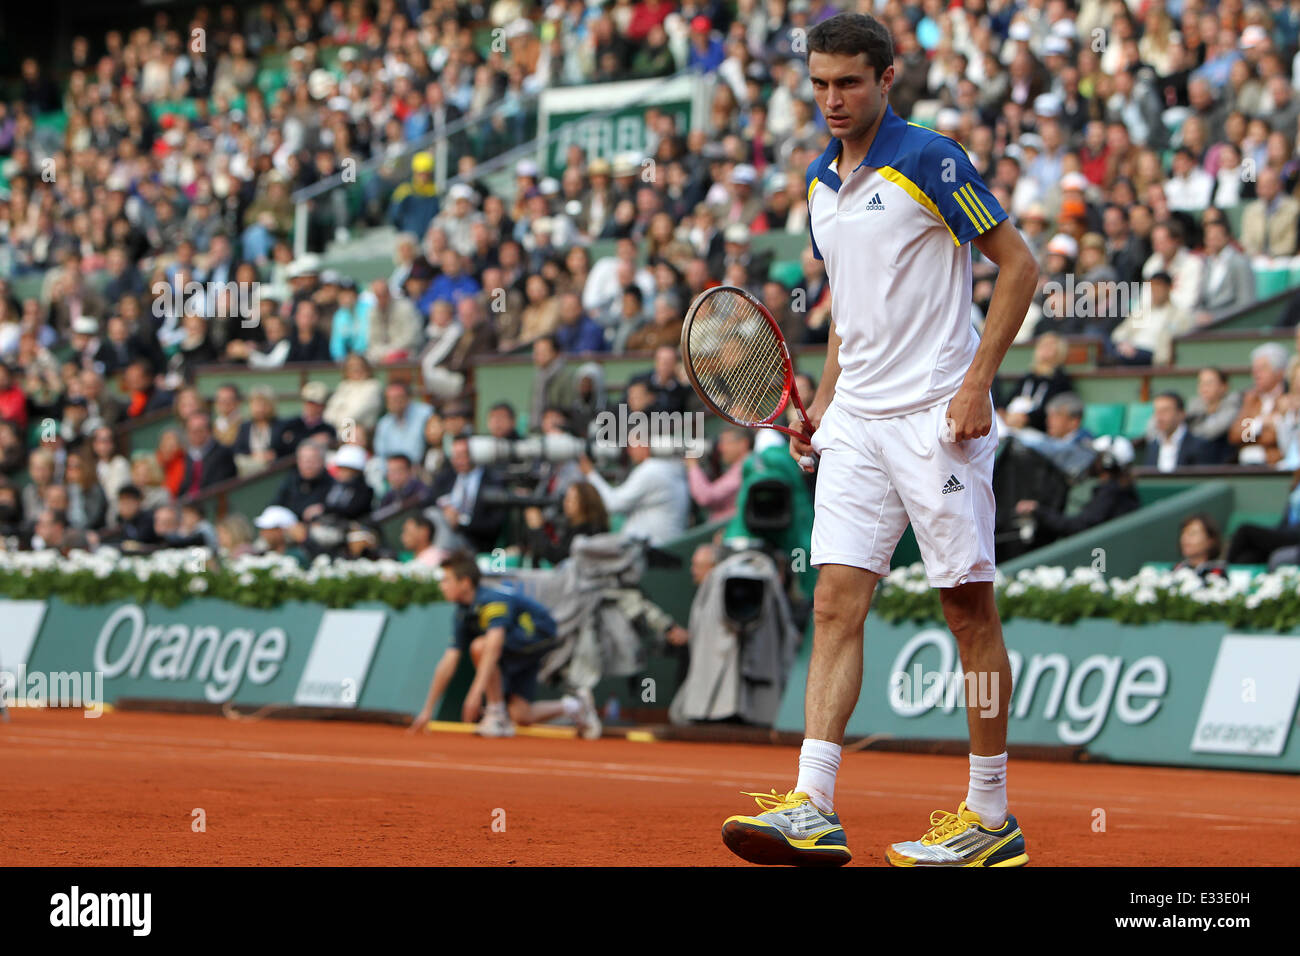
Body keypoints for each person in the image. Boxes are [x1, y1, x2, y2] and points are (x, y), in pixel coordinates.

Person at [721, 14, 1037, 869]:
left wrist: (976, 384)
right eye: (819, 83)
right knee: (833, 603)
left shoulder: (933, 158)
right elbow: (853, 317)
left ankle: (990, 814)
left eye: (848, 83)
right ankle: (813, 803)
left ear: (887, 78)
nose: (831, 98)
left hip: (937, 414)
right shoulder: (821, 182)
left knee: (966, 610)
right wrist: (822, 402)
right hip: (857, 418)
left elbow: (1021, 265)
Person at [408, 551, 603, 738]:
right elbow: (450, 659)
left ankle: (496, 715)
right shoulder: (462, 612)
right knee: (521, 715)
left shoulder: (490, 600)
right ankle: (576, 706)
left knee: (481, 646)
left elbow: (493, 645)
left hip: (537, 635)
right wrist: (427, 710)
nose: (442, 586)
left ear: (465, 583)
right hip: (517, 650)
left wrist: (476, 694)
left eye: (447, 580)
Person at [576, 437, 690, 545]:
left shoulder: (651, 469)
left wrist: (590, 473)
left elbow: (613, 504)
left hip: (653, 549)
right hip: (663, 544)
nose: (630, 451)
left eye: (633, 445)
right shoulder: (670, 467)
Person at [996, 333, 1073, 433]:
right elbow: (1009, 399)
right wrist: (1004, 414)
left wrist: (1026, 418)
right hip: (1010, 424)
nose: (1045, 349)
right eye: (1043, 345)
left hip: (1036, 430)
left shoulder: (1060, 381)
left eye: (1050, 346)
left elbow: (1051, 411)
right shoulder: (1028, 377)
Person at [522, 480, 610, 566]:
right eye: (566, 498)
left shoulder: (589, 531)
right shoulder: (572, 526)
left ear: (585, 503)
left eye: (571, 500)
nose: (566, 503)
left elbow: (558, 557)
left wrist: (537, 528)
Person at [686, 427, 753, 522]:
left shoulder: (746, 467)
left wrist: (692, 465)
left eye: (725, 443)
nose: (720, 448)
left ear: (743, 444)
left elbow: (705, 497)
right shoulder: (741, 466)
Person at [1142, 391, 1215, 471]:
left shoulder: (1200, 446)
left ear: (1181, 414)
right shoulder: (1152, 446)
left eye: (1165, 411)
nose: (1159, 417)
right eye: (1157, 411)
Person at [1185, 367, 1241, 465]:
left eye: (1209, 383)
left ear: (1224, 386)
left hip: (1223, 461)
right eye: (1201, 383)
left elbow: (1212, 431)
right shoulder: (1193, 405)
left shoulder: (1233, 404)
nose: (1204, 387)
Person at [1174, 513, 1227, 580]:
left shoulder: (1217, 573)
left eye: (1192, 533)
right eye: (1183, 533)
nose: (1185, 538)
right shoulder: (1176, 570)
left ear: (1210, 540)